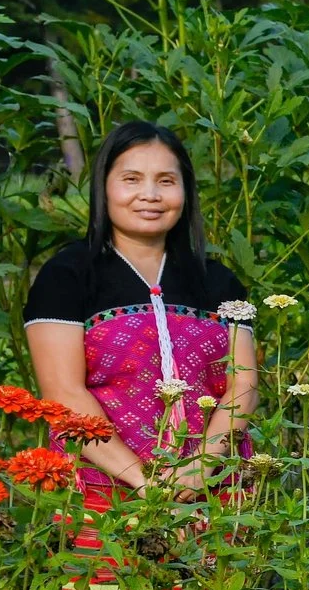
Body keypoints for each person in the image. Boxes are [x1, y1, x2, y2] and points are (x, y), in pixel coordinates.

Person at [26, 120, 260, 507]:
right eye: (131, 179)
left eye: (166, 181)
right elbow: (63, 393)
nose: (149, 195)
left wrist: (199, 467)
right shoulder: (67, 275)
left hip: (215, 488)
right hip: (103, 485)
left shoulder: (218, 282)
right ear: (104, 186)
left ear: (185, 191)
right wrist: (143, 480)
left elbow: (244, 387)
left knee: (221, 570)